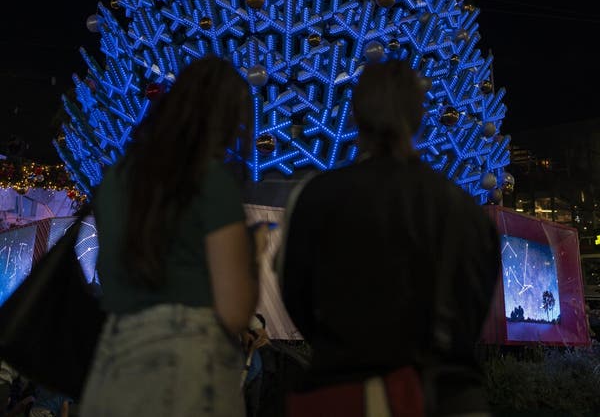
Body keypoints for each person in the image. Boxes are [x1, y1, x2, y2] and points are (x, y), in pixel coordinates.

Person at [276, 58, 501, 417]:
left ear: (355, 115)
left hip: (346, 393)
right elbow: (474, 303)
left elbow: (295, 293)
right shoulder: (463, 208)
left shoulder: (316, 197)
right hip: (447, 395)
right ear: (419, 116)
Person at [79, 55, 265, 417]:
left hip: (115, 366)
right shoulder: (211, 184)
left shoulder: (118, 179)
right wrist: (252, 254)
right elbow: (234, 309)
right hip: (190, 370)